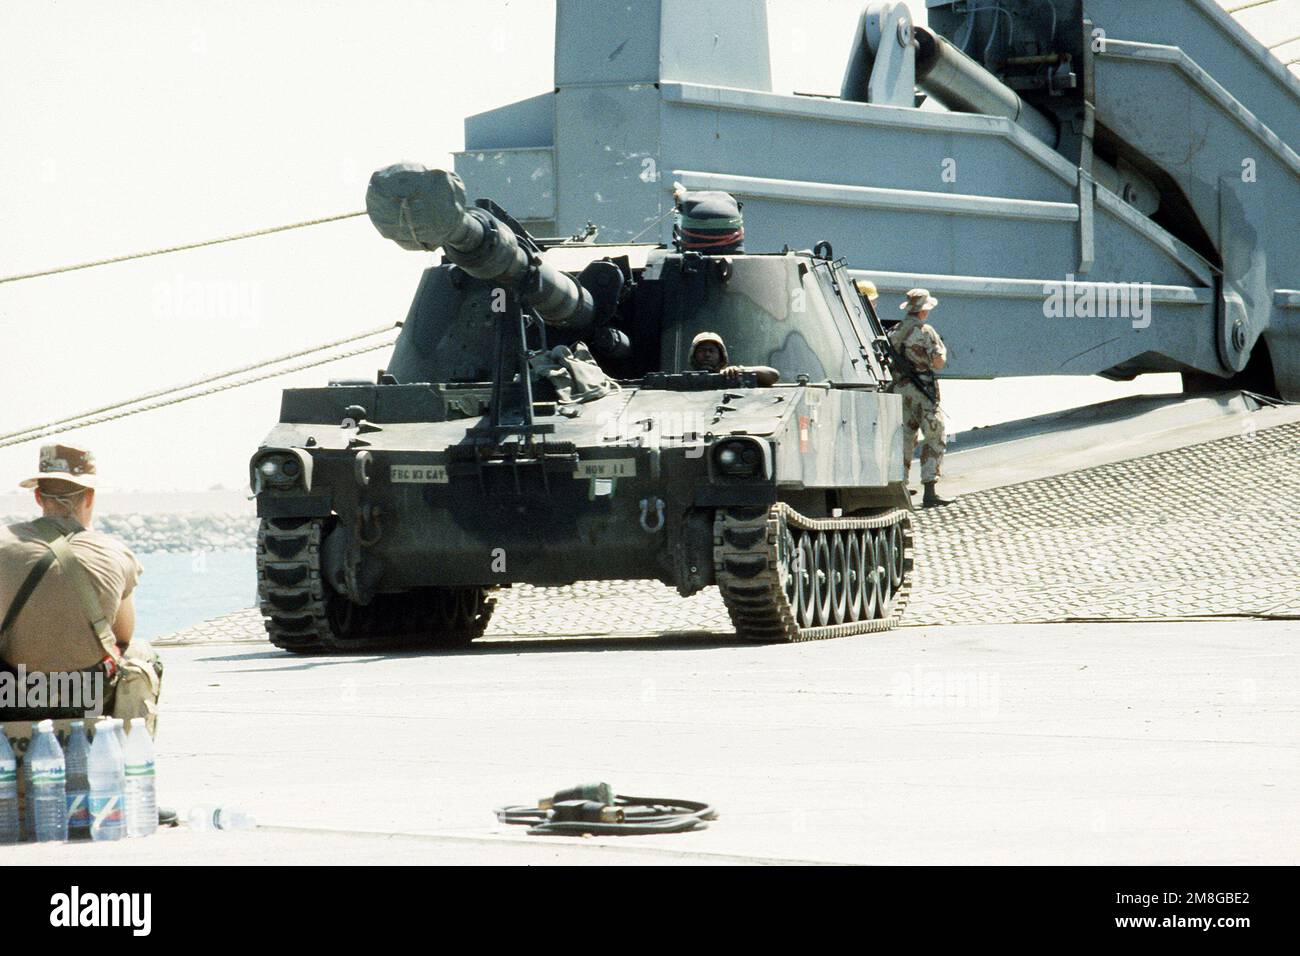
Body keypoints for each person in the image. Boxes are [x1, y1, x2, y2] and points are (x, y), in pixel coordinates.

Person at [0, 444, 162, 731]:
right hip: (88, 694)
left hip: (12, 695)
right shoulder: (116, 552)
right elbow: (123, 636)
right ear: (89, 497)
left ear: (38, 497)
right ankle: (125, 746)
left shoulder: (3, 544)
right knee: (143, 652)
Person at [888, 289, 953, 507]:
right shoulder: (926, 331)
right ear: (924, 311)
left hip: (900, 392)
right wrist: (942, 353)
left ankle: (901, 491)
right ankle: (930, 490)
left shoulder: (894, 331)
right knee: (935, 435)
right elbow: (938, 363)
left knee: (904, 439)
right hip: (922, 392)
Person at [688, 331, 780, 386]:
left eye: (712, 351)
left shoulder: (733, 377)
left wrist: (739, 370)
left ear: (721, 356)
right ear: (694, 355)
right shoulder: (685, 382)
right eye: (701, 350)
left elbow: (773, 376)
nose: (707, 354)